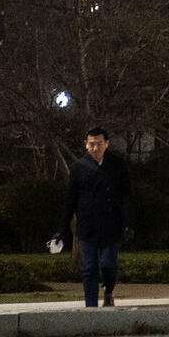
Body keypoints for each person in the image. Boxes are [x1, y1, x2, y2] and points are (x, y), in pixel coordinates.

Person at [54, 126, 133, 307]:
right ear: (86, 145)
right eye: (91, 145)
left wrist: (128, 223)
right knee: (89, 268)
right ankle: (91, 306)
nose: (95, 148)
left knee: (108, 265)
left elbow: (126, 196)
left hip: (111, 225)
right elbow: (70, 200)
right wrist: (61, 229)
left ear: (107, 144)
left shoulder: (117, 165)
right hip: (88, 225)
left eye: (98, 144)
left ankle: (108, 290)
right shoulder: (79, 167)